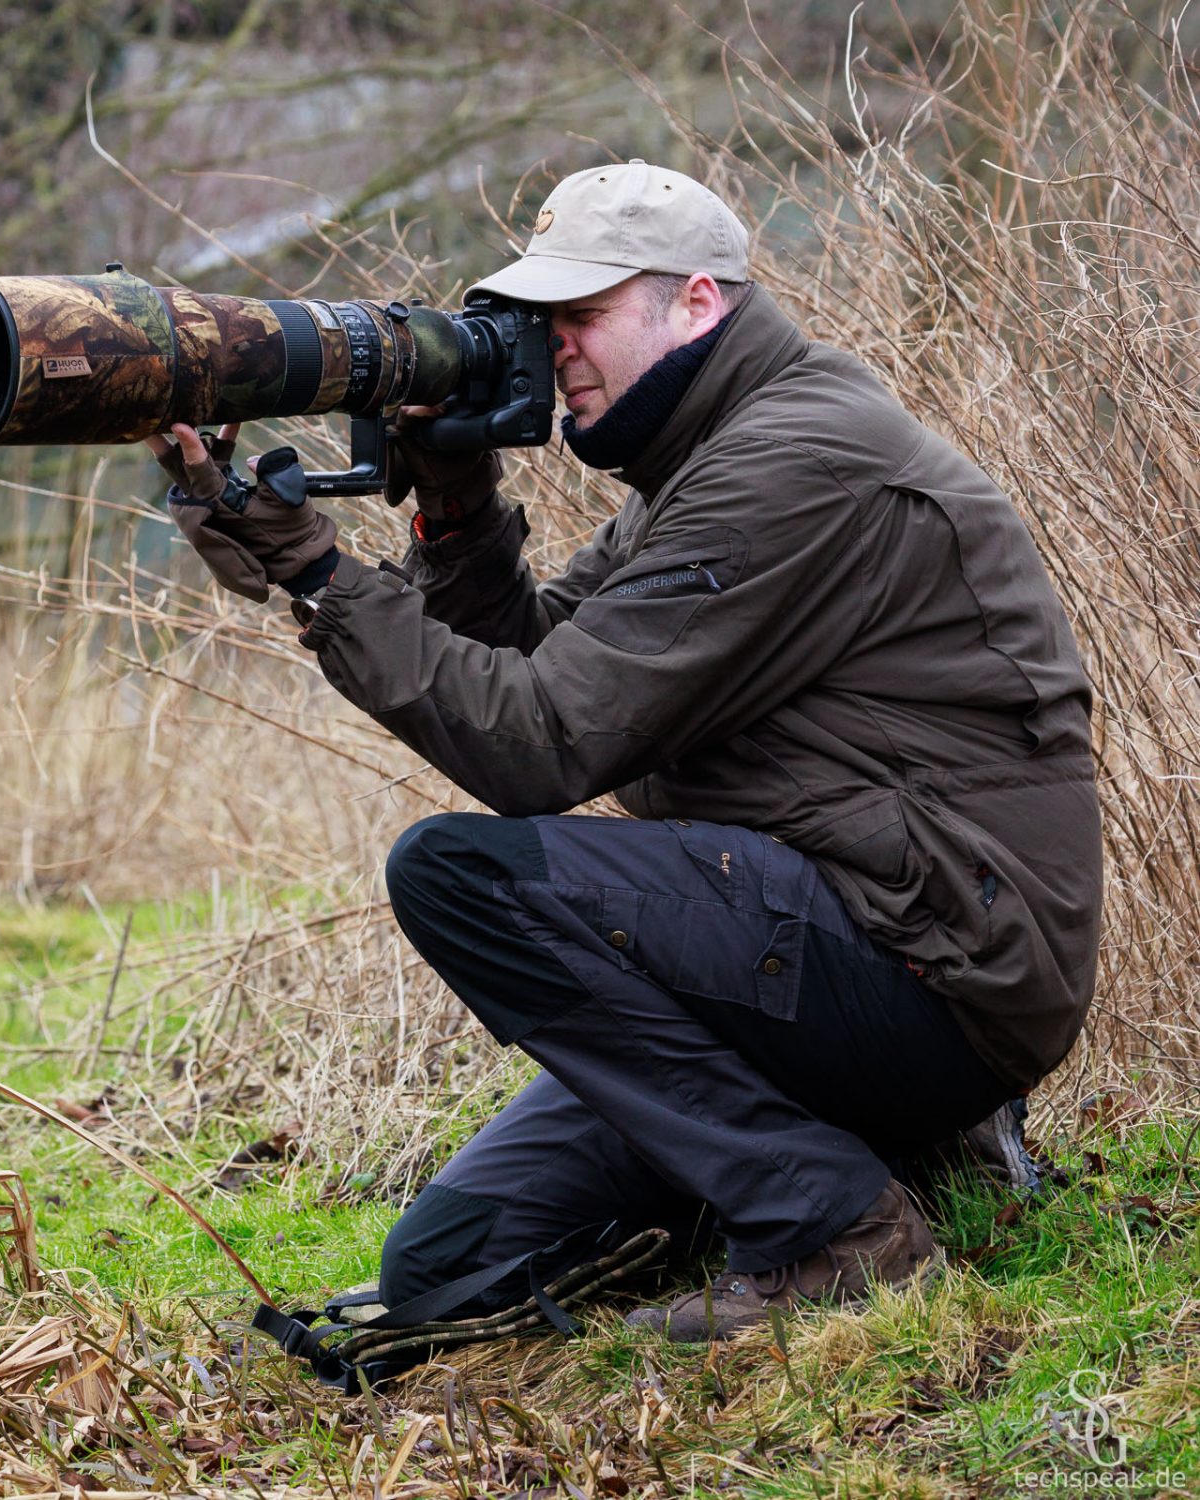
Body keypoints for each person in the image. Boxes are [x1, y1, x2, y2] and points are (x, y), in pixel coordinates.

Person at [149, 159, 1102, 1342]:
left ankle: (837, 1226)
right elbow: (538, 662)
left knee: (456, 874)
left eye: (584, 317)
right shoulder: (691, 471)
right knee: (447, 1268)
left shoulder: (794, 462)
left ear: (696, 302)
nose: (555, 351)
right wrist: (455, 507)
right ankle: (900, 1147)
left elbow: (539, 749)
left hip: (935, 964)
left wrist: (319, 572)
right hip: (827, 958)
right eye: (543, 323)